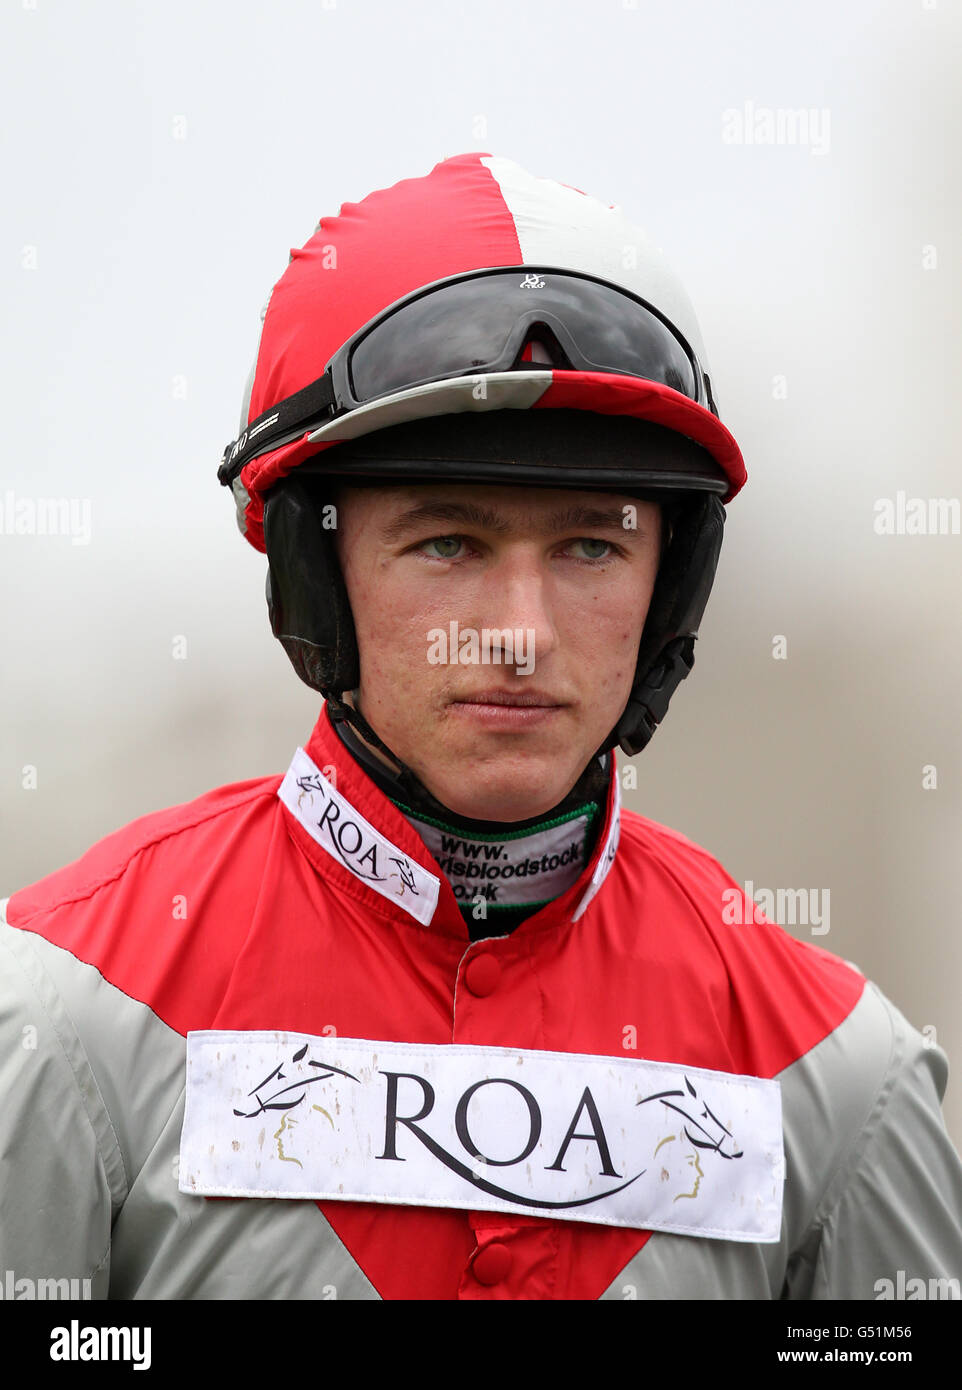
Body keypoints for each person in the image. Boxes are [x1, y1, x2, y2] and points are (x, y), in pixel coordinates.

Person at [1, 152, 960, 1302]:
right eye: (447, 543)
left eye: (588, 547)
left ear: (672, 581)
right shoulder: (60, 1013)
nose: (518, 634)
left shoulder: (842, 1072)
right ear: (317, 573)